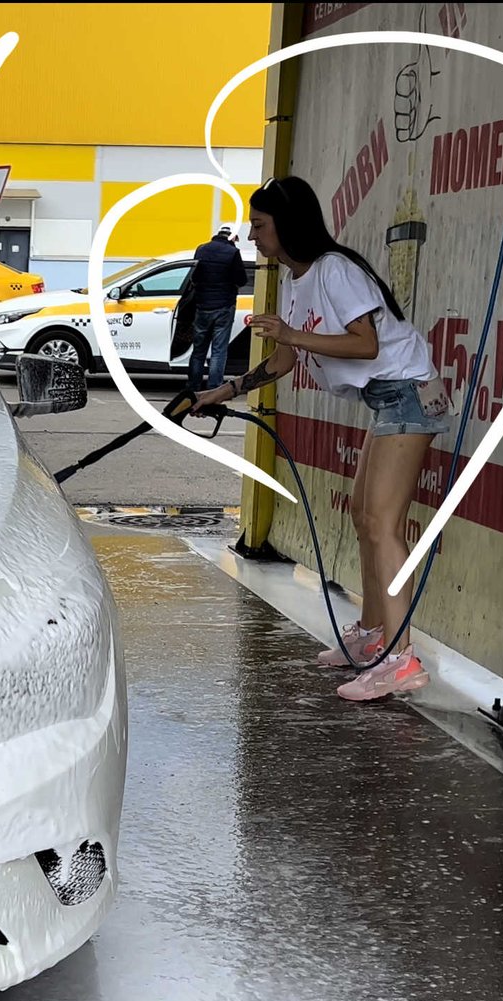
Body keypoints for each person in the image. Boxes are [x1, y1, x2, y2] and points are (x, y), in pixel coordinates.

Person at [192, 176, 452, 702]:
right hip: (388, 399)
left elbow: (365, 343)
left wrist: (290, 335)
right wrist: (231, 388)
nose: (253, 235)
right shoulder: (297, 278)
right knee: (365, 518)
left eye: (261, 225)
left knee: (382, 524)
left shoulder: (336, 269)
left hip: (406, 392)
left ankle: (401, 660)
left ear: (287, 225)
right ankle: (374, 636)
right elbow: (286, 358)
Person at [182, 225, 247, 390]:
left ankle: (193, 386)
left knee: (198, 350)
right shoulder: (232, 253)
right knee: (219, 350)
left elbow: (194, 276)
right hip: (224, 307)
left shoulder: (202, 249)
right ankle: (214, 388)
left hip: (202, 306)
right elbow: (241, 280)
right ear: (232, 237)